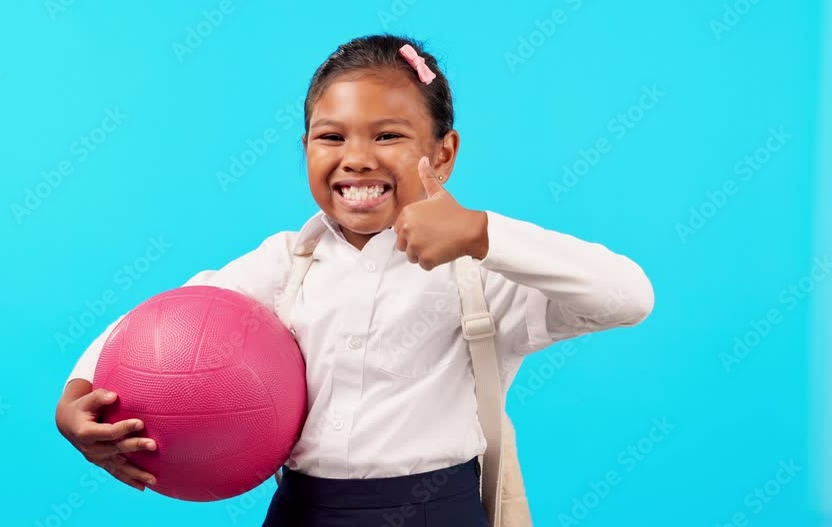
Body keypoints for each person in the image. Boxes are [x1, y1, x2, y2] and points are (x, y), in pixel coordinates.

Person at [55, 34, 654, 526]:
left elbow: (628, 296)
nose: (357, 157)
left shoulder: (483, 275)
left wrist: (482, 233)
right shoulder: (285, 262)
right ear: (306, 146)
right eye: (331, 136)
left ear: (443, 155)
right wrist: (80, 393)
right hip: (305, 512)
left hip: (438, 512)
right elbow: (164, 323)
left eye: (388, 135)